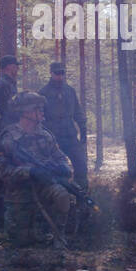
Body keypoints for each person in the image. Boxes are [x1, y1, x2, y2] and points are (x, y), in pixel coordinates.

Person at [0, 91, 75, 255]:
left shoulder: (45, 135)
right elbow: (1, 171)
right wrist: (29, 172)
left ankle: (59, 237)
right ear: (26, 112)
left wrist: (63, 167)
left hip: (43, 188)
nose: (42, 112)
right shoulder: (9, 138)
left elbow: (60, 157)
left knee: (62, 195)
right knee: (21, 242)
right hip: (19, 195)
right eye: (38, 109)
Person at [40, 61, 88, 189]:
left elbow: (77, 111)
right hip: (52, 138)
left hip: (70, 135)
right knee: (56, 170)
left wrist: (83, 129)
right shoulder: (43, 93)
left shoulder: (70, 91)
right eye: (57, 73)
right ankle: (59, 199)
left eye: (62, 73)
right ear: (51, 74)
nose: (60, 76)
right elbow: (39, 117)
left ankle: (82, 197)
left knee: (81, 165)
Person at [0, 55, 20, 135]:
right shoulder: (3, 83)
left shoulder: (10, 83)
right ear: (9, 67)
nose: (18, 68)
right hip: (8, 126)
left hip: (12, 124)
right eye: (16, 66)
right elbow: (6, 108)